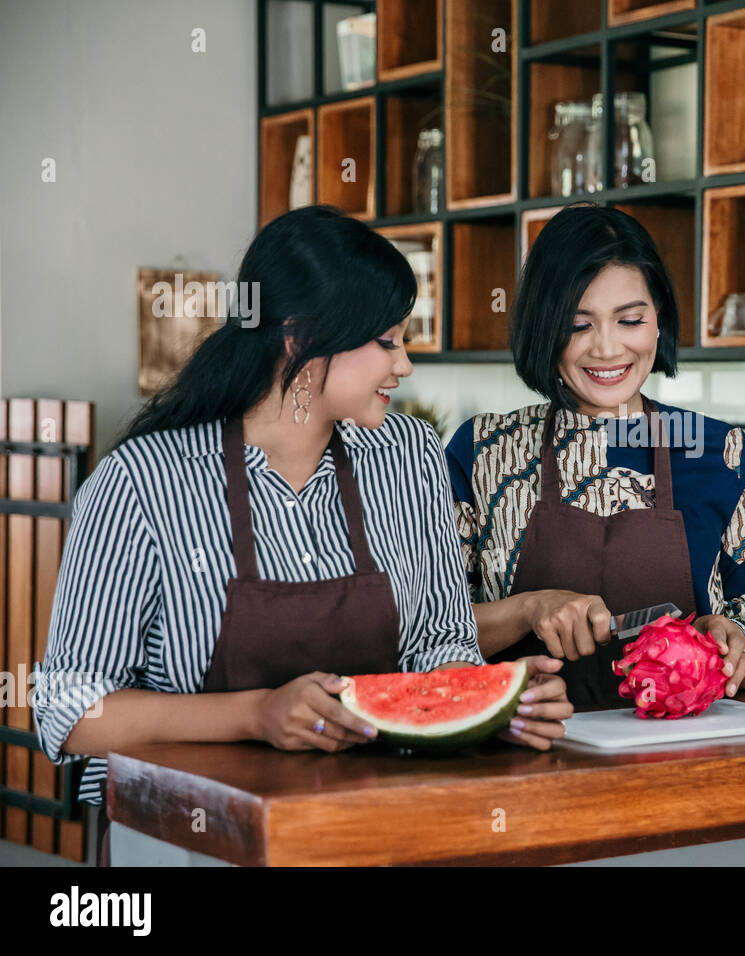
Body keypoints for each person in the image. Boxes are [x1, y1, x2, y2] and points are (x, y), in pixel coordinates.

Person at [32, 206, 571, 864]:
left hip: (379, 832)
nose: (404, 364)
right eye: (387, 340)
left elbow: (439, 643)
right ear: (300, 338)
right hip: (193, 843)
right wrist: (254, 713)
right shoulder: (142, 482)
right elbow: (69, 707)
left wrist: (497, 708)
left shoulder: (409, 454)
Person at [445, 203, 745, 707]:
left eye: (629, 320)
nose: (606, 348)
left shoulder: (723, 454)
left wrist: (738, 639)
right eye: (577, 324)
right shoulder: (482, 451)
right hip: (525, 756)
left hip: (682, 763)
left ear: (658, 320)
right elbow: (431, 630)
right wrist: (528, 609)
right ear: (542, 326)